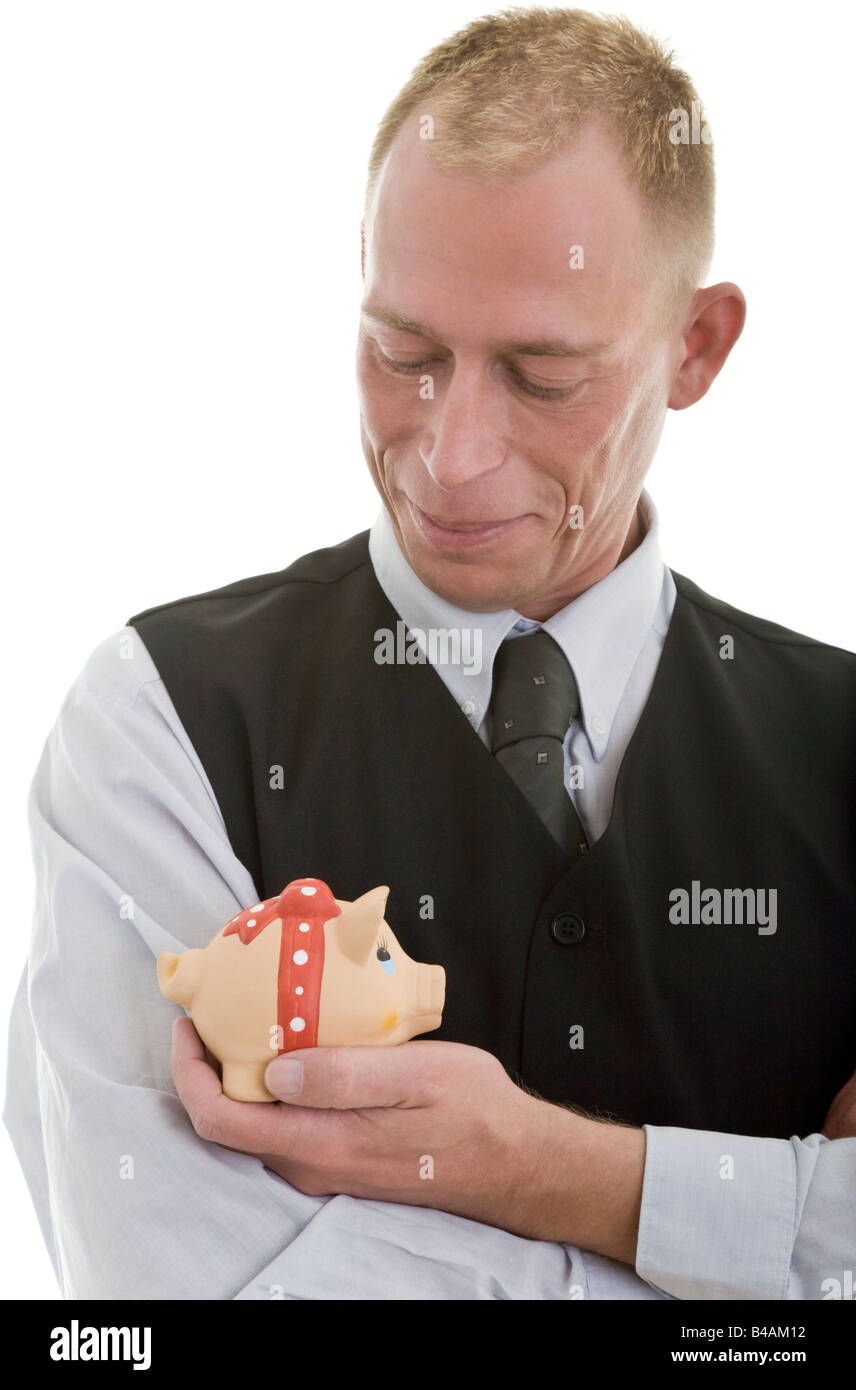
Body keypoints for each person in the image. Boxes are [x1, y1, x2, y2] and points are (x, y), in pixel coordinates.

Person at [4, 7, 855, 1301]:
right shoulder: (161, 716)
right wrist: (766, 1239)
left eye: (542, 373)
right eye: (404, 351)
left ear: (696, 345)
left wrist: (541, 1166)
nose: (448, 453)